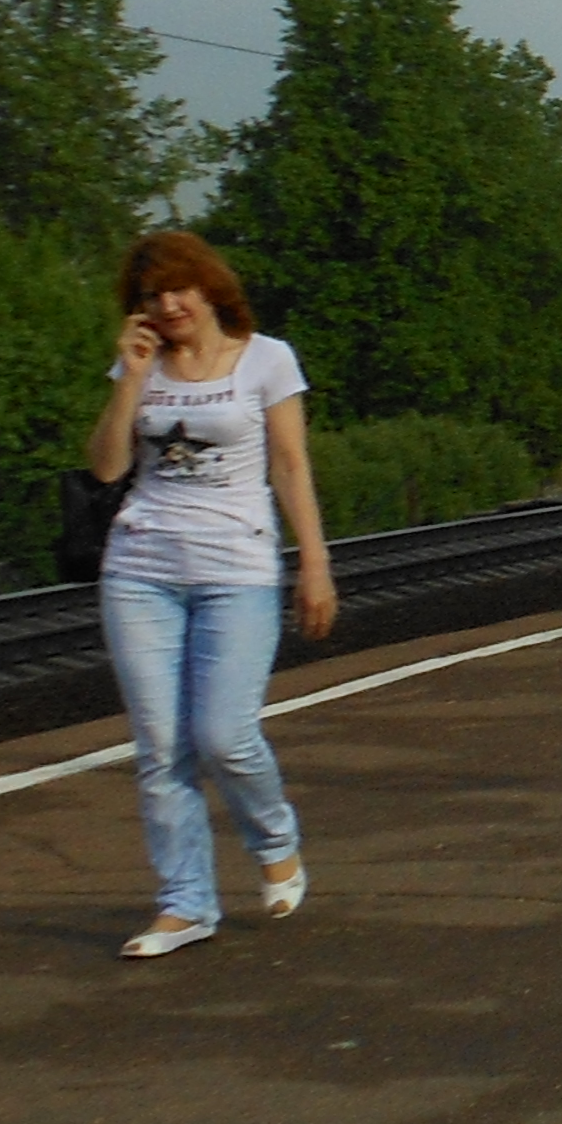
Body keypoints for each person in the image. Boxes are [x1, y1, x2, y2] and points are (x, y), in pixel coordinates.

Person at [83, 229, 335, 961]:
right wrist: (129, 381)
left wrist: (315, 563)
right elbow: (105, 469)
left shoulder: (267, 359)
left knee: (223, 735)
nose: (169, 305)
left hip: (237, 572)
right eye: (152, 295)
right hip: (140, 571)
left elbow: (290, 465)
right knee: (162, 747)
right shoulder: (142, 365)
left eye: (179, 288)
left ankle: (275, 840)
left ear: (209, 288)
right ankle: (185, 903)